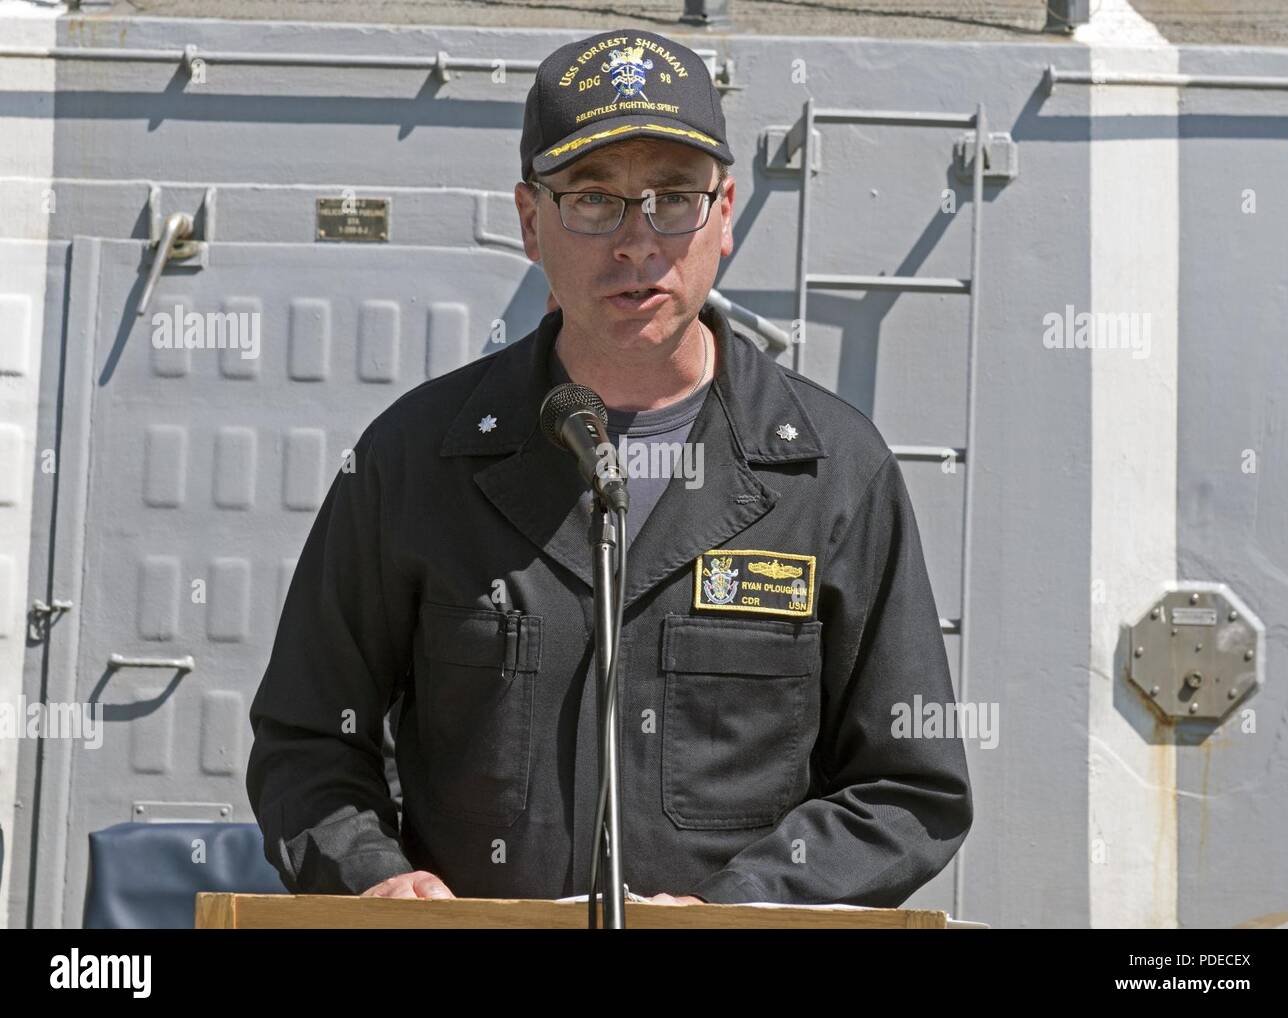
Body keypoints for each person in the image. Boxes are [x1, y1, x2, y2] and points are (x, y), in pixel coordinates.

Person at [246, 28, 973, 907]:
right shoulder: (415, 458)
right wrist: (377, 878)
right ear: (529, 222)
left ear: (727, 214)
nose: (638, 242)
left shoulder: (832, 475)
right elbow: (308, 741)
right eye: (593, 200)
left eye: (675, 198)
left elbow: (907, 789)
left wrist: (739, 911)